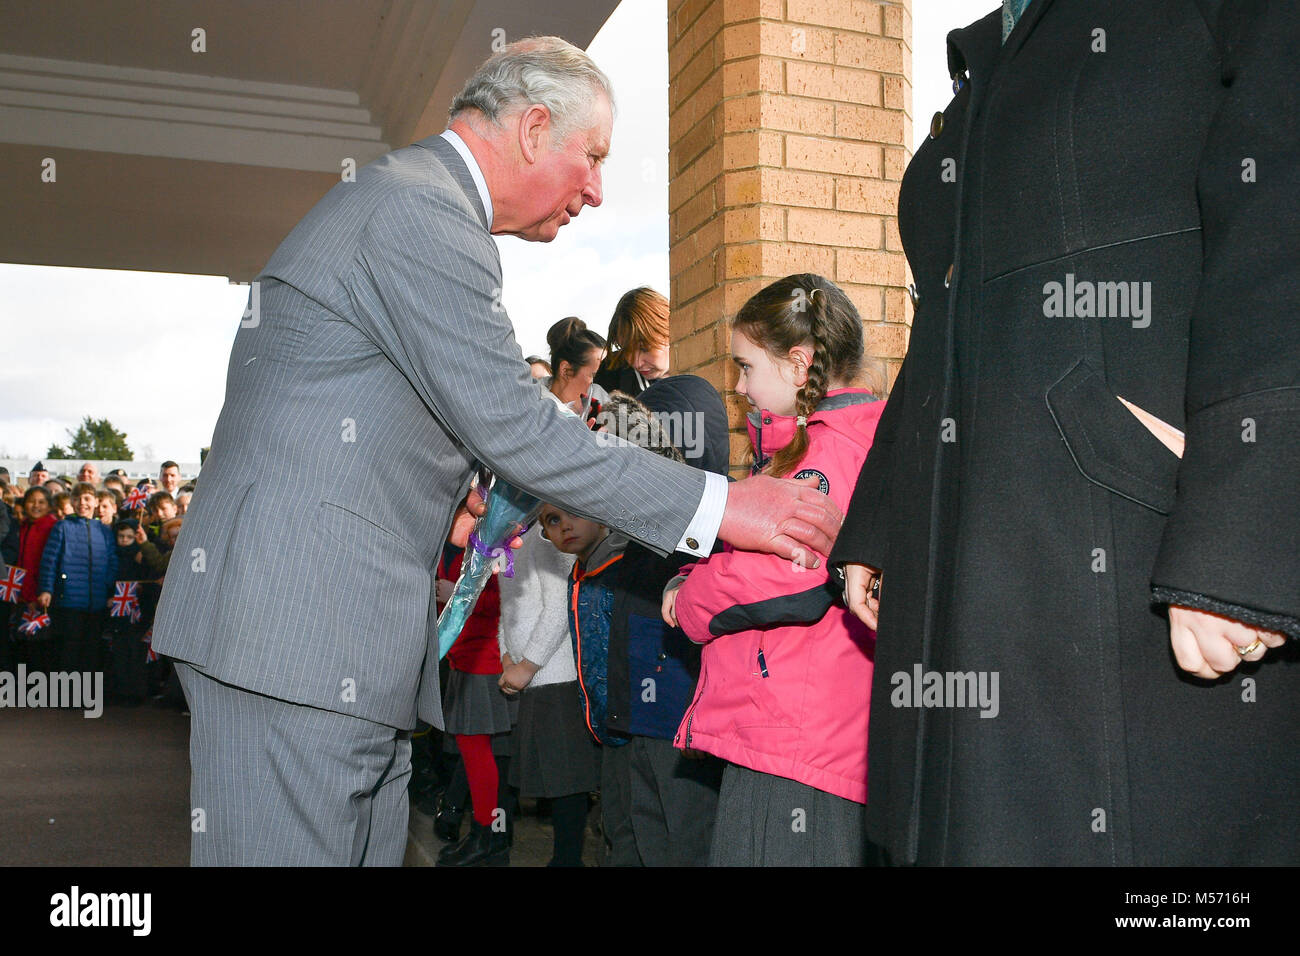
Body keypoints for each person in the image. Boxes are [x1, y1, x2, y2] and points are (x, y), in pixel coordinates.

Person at [152, 35, 841, 867]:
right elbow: (516, 426)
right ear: (534, 126)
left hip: (322, 642)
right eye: (591, 157)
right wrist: (722, 504)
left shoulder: (406, 202)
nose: (595, 190)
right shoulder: (419, 210)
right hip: (297, 638)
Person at [831, 1, 1299, 866]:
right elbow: (945, 312)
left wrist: (1249, 532)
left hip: (1129, 548)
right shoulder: (989, 56)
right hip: (967, 562)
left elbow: (1281, 216)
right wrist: (885, 512)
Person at [664, 275, 884, 866]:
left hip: (793, 739)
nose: (737, 385)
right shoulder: (842, 441)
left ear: (797, 363)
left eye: (745, 366)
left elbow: (795, 572)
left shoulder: (827, 452)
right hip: (805, 734)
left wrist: (689, 600)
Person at [604, 374, 729, 866]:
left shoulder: (715, 533)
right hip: (639, 722)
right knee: (642, 833)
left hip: (683, 728)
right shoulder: (640, 536)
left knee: (688, 841)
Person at [432, 542, 516, 867]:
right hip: (461, 657)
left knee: (479, 754)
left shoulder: (488, 541)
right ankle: (487, 838)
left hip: (483, 660)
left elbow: (501, 602)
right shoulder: (449, 546)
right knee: (475, 755)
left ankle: (487, 838)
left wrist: (455, 591)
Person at [37, 482, 118, 676]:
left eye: (87, 498)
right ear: (72, 502)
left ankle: (89, 694)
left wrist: (111, 592)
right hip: (69, 601)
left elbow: (112, 562)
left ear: (96, 502)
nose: (82, 503)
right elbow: (50, 561)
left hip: (97, 602)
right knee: (69, 649)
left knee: (91, 649)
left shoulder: (104, 530)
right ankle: (68, 695)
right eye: (77, 499)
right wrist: (46, 589)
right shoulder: (62, 527)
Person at [594, 287, 671, 397]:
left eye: (645, 349)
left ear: (669, 332)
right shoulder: (612, 373)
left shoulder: (699, 373)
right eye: (627, 350)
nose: (637, 363)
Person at [541, 316, 608, 418]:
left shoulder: (601, 400)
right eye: (593, 375)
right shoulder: (531, 406)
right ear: (566, 370)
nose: (598, 382)